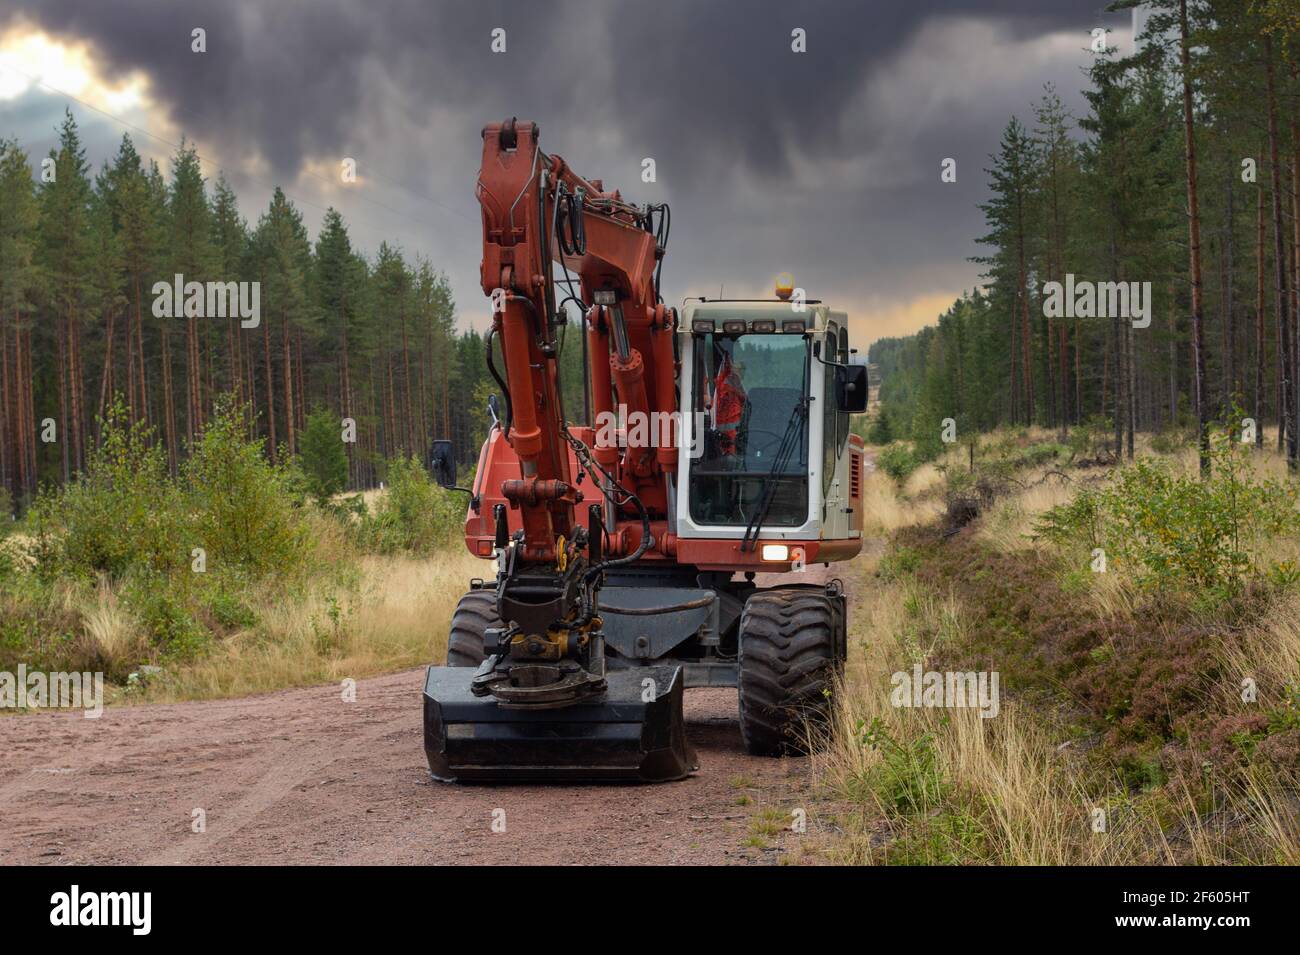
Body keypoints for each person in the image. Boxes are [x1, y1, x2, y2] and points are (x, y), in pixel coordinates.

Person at [710, 340, 747, 458]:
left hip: (734, 442)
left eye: (743, 369)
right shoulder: (727, 388)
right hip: (728, 445)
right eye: (740, 368)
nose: (741, 371)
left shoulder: (736, 388)